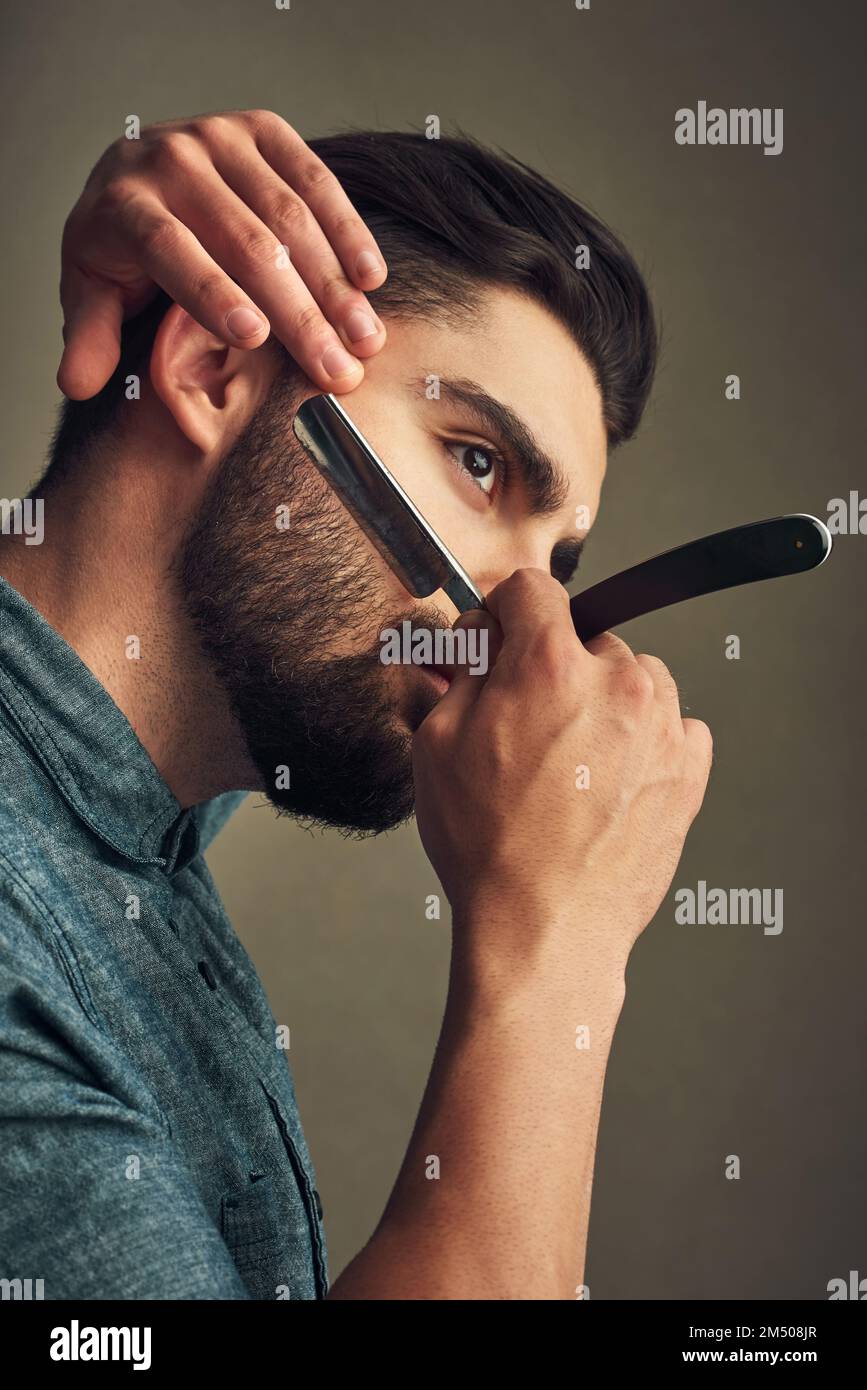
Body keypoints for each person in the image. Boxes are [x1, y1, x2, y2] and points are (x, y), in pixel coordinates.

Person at [0, 111, 712, 1300]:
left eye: (559, 566)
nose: (518, 624)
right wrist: (556, 949)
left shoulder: (126, 834)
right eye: (477, 462)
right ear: (214, 365)